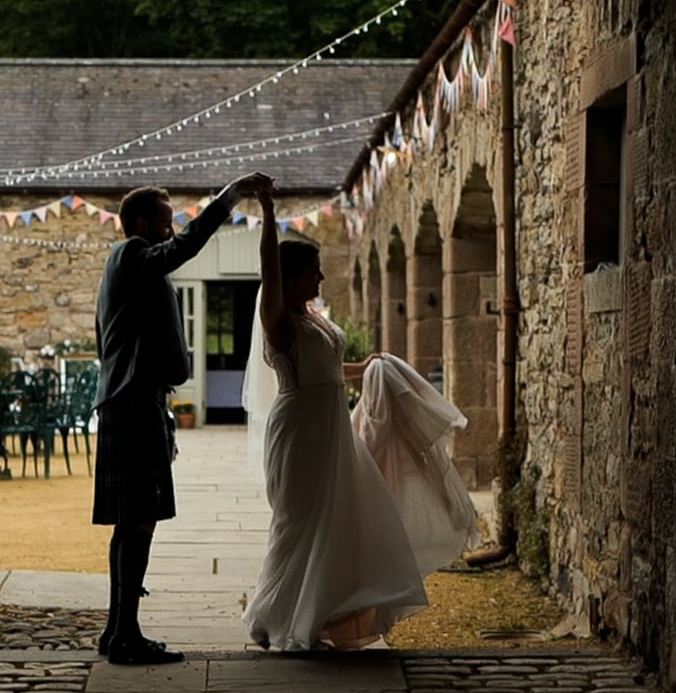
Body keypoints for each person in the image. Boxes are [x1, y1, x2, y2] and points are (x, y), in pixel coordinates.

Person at [241, 184, 479, 650]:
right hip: (299, 431)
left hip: (332, 429)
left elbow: (329, 372)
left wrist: (365, 367)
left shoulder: (313, 319)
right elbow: (269, 269)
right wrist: (269, 212)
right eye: (313, 273)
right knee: (298, 521)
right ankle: (269, 615)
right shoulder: (279, 319)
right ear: (289, 278)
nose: (321, 280)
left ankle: (324, 610)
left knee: (337, 523)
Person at [93, 172, 274, 665]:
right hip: (133, 402)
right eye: (166, 222)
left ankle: (117, 630)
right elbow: (186, 247)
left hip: (132, 399)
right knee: (140, 520)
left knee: (131, 522)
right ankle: (126, 635)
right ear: (141, 223)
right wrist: (231, 195)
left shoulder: (127, 267)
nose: (172, 230)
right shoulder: (133, 255)